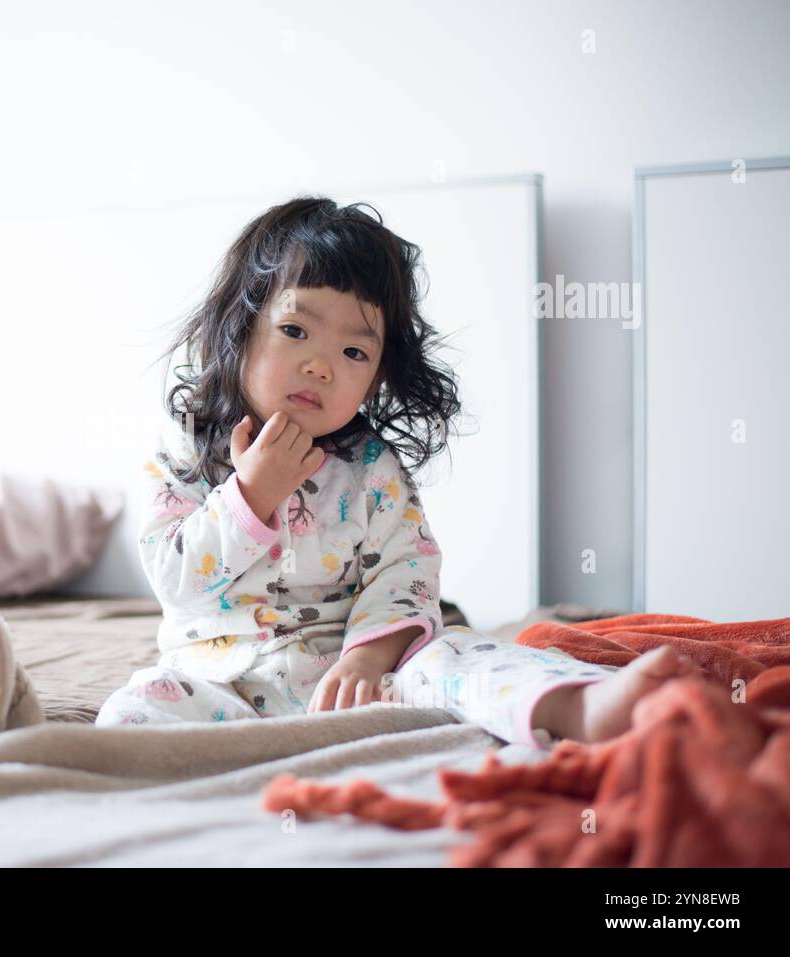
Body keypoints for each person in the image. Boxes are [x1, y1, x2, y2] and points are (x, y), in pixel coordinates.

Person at [95, 197, 701, 747]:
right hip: (218, 680)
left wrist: (369, 660)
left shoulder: (369, 468)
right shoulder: (184, 453)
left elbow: (406, 573)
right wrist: (250, 495)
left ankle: (585, 708)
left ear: (378, 375)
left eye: (353, 351)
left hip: (351, 677)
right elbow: (176, 580)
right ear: (239, 328)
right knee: (133, 710)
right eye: (295, 330)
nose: (321, 365)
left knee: (460, 658)